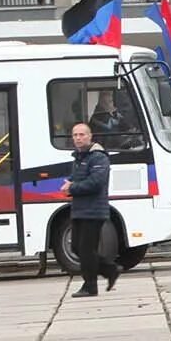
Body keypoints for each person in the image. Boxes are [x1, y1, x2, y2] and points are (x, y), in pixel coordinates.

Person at [64, 121, 116, 298]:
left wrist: (72, 188)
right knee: (77, 248)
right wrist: (67, 185)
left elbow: (96, 183)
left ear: (90, 136)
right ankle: (110, 269)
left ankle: (90, 286)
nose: (78, 138)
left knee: (86, 249)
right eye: (75, 135)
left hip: (94, 210)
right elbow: (75, 179)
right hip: (79, 209)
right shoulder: (79, 158)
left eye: (81, 135)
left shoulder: (98, 157)